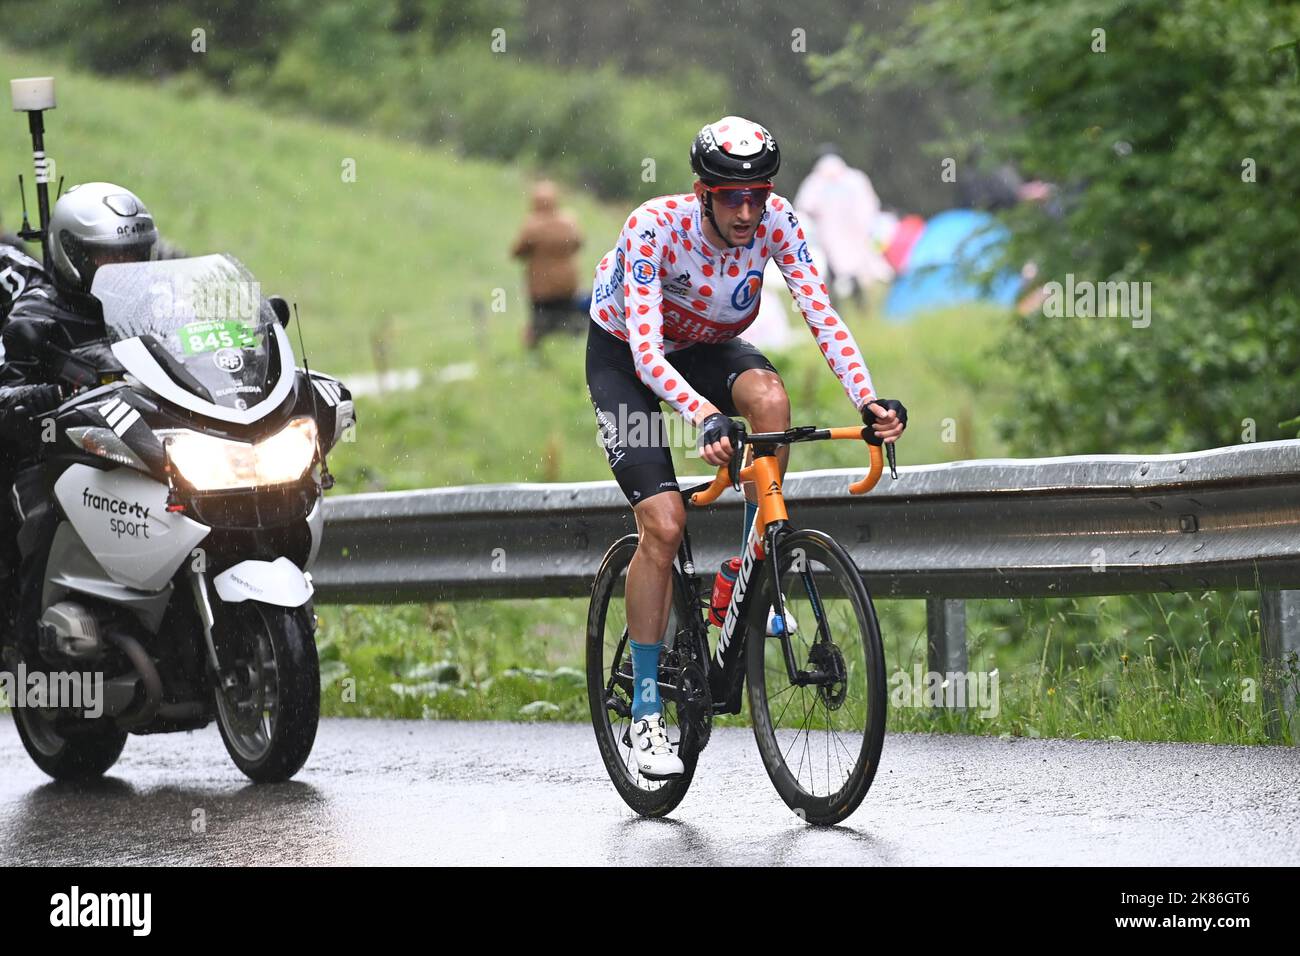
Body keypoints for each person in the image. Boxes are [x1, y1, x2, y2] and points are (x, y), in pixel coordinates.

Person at [585, 116, 907, 778]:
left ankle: (752, 561)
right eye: (734, 197)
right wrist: (704, 417)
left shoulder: (779, 221)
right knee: (666, 525)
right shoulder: (654, 228)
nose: (749, 210)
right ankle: (646, 710)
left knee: (771, 400)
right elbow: (646, 352)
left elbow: (822, 313)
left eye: (759, 194)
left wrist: (868, 401)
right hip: (627, 360)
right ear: (702, 193)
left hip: (705, 348)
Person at [0, 182, 158, 652]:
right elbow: (4, 389)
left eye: (134, 257)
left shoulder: (153, 308)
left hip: (137, 452)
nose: (124, 270)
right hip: (49, 459)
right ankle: (32, 650)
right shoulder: (35, 316)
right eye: (111, 259)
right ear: (75, 258)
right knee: (48, 514)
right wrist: (37, 396)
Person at [793, 146, 893, 308]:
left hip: (830, 238)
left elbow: (803, 207)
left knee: (832, 274)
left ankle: (834, 310)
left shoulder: (815, 181)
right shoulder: (856, 178)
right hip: (857, 236)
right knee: (856, 272)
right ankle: (861, 308)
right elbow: (871, 205)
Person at [511, 180, 584, 349]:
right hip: (567, 283)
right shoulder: (569, 221)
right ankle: (570, 345)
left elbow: (518, 251)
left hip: (541, 285)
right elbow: (579, 243)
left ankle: (536, 351)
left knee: (539, 321)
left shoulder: (532, 226)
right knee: (568, 316)